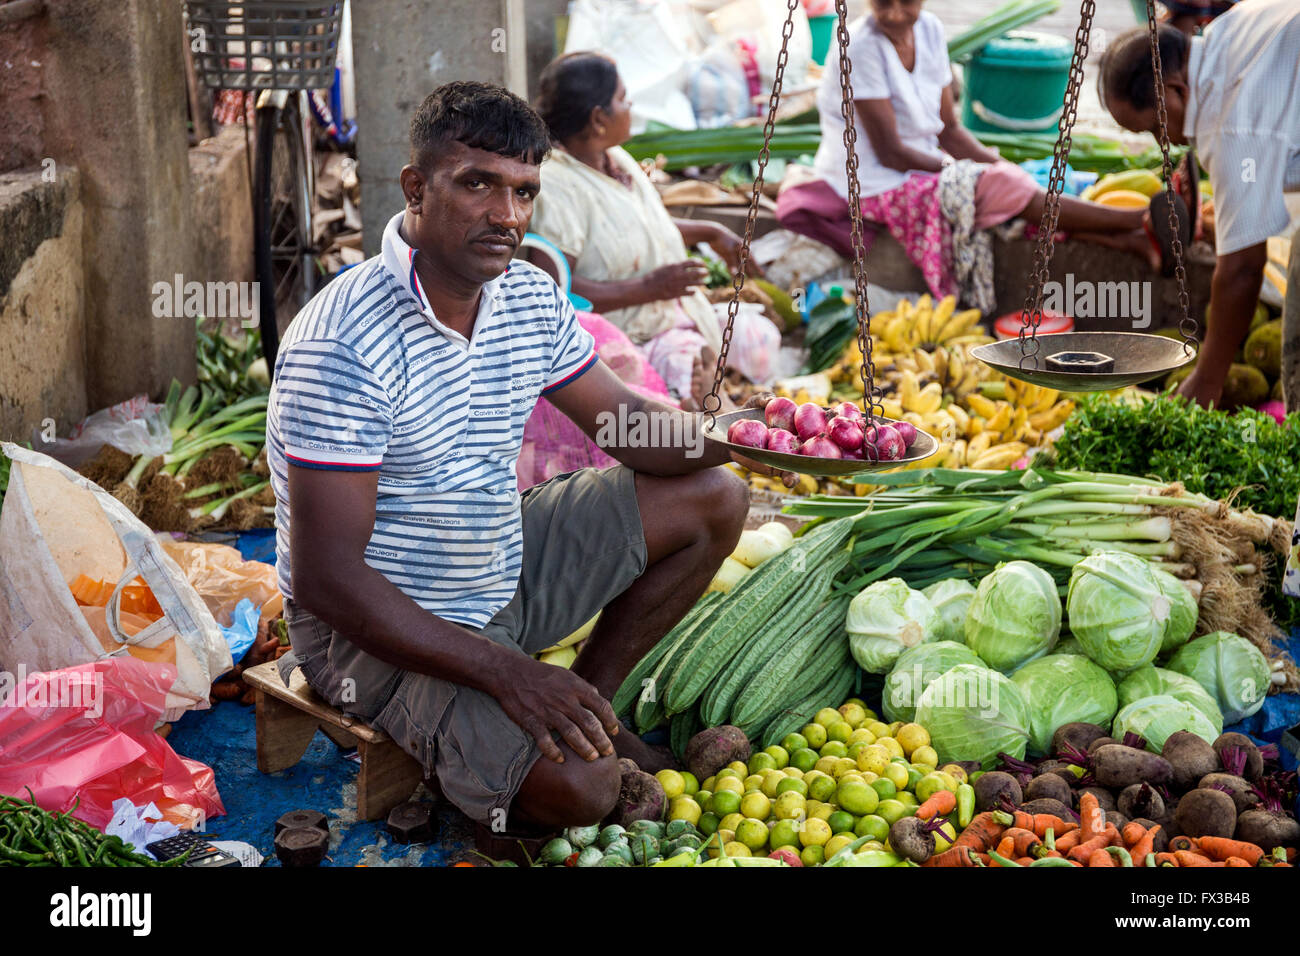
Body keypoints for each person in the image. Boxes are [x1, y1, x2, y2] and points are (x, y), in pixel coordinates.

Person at [265, 82, 789, 840]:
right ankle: (549, 740)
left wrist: (749, 435)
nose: (506, 216)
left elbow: (626, 425)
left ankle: (586, 710)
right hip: (370, 629)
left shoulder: (524, 299)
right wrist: (507, 671)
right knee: (581, 793)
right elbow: (329, 579)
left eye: (523, 192)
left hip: (493, 561)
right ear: (417, 187)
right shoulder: (341, 344)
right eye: (477, 184)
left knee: (714, 496)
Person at [778, 0, 1173, 309]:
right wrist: (971, 173)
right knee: (997, 188)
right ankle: (1139, 221)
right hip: (874, 180)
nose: (896, 13)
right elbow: (892, 152)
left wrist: (998, 165)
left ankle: (1133, 241)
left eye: (907, 2)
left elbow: (950, 130)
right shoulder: (860, 47)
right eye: (884, 3)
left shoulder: (930, 31)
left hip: (921, 167)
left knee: (1021, 180)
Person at [529, 52, 771, 408]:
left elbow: (640, 226)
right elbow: (554, 291)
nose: (631, 105)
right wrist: (647, 289)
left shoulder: (613, 157)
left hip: (668, 316)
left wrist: (710, 232)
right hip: (624, 339)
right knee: (692, 391)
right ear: (598, 119)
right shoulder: (558, 184)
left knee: (759, 340)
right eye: (623, 98)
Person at [1099, 2, 1300, 409]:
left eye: (1157, 127)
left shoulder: (1231, 124)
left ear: (1175, 90)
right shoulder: (1226, 34)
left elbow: (1242, 268)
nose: (1165, 142)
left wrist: (1207, 378)